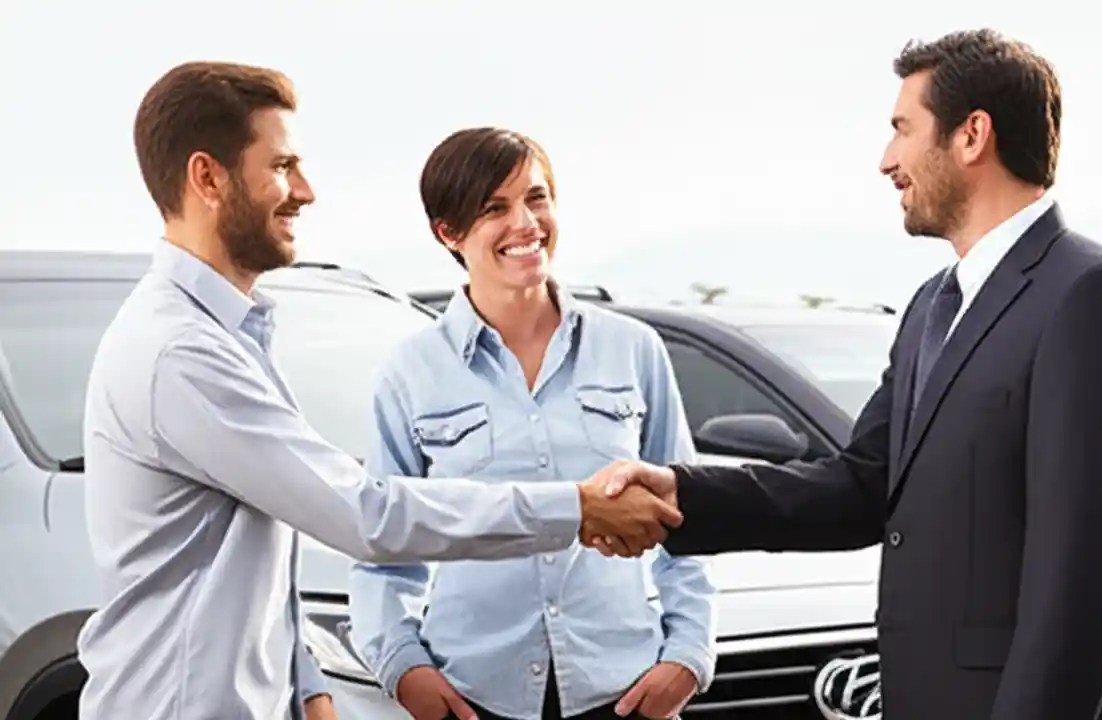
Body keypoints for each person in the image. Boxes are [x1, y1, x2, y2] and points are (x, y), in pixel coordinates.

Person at [596, 28, 1102, 720]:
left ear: (972, 135)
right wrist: (682, 495)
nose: (886, 160)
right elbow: (861, 485)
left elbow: (1089, 575)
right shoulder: (933, 305)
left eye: (902, 129)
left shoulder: (1092, 293)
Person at [77, 62, 678, 720]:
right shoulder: (180, 353)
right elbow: (365, 515)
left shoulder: (229, 334)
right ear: (208, 177)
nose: (305, 190)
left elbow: (251, 557)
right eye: (282, 165)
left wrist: (309, 686)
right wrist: (576, 509)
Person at [347, 128, 716, 720]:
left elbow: (689, 520)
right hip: (472, 694)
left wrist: (688, 656)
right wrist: (403, 667)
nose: (526, 223)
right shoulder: (410, 372)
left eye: (537, 198)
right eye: (495, 207)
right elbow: (383, 545)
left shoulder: (633, 349)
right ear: (449, 232)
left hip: (623, 692)